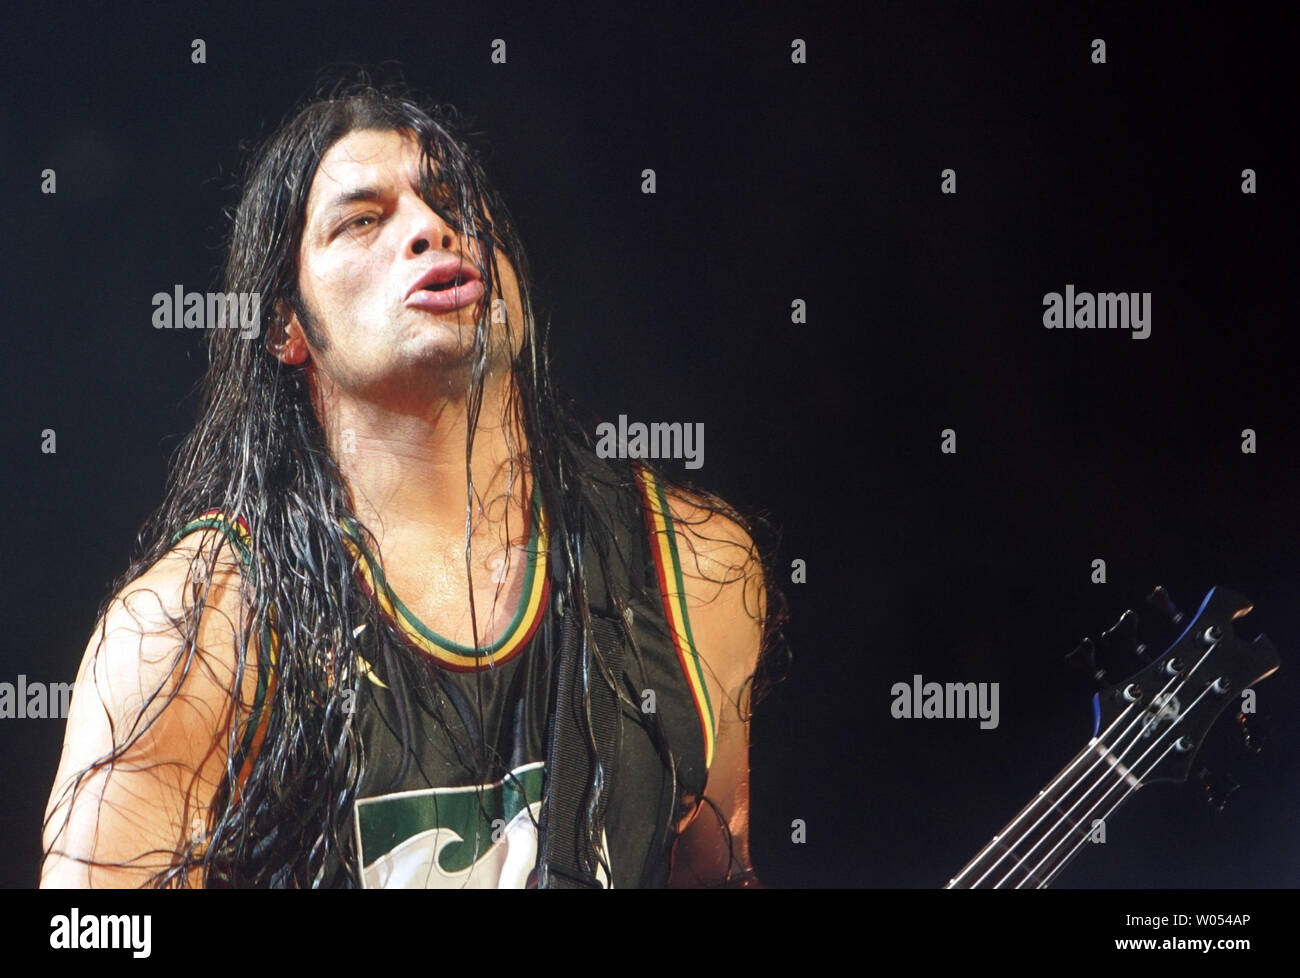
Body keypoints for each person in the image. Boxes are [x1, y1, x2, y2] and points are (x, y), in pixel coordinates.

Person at [40, 81, 788, 888]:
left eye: (451, 202)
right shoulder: (192, 631)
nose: (432, 229)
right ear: (287, 326)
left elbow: (717, 875)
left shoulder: (693, 569)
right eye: (362, 220)